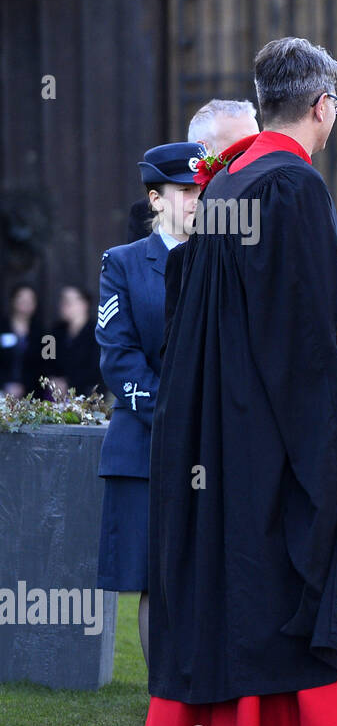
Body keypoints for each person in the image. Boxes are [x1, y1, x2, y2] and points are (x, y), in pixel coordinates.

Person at [136, 36, 337, 726]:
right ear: (323, 106)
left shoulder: (226, 183)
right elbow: (315, 319)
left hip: (220, 424)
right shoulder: (293, 185)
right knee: (282, 583)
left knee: (237, 583)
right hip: (275, 428)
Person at [96, 142, 204, 665]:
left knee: (216, 580)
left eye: (202, 190)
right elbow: (118, 358)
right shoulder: (123, 264)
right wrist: (176, 410)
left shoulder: (229, 256)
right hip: (146, 445)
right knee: (156, 585)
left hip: (217, 442)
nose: (195, 200)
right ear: (156, 199)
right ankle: (163, 712)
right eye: (185, 191)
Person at [127, 100, 260, 242]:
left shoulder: (269, 196)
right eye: (241, 149)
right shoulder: (157, 211)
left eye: (258, 147)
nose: (255, 157)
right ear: (204, 149)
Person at [24, 285, 101, 399]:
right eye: (62, 300)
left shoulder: (97, 334)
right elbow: (44, 361)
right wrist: (52, 379)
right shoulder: (52, 333)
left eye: (68, 301)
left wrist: (70, 384)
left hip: (87, 397)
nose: (63, 305)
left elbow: (97, 369)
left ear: (84, 304)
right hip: (55, 395)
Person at [1, 283, 39, 396]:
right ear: (13, 301)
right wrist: (4, 384)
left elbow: (48, 364)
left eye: (30, 299)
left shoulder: (44, 334)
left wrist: (25, 387)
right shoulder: (2, 327)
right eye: (21, 298)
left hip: (32, 395)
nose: (25, 302)